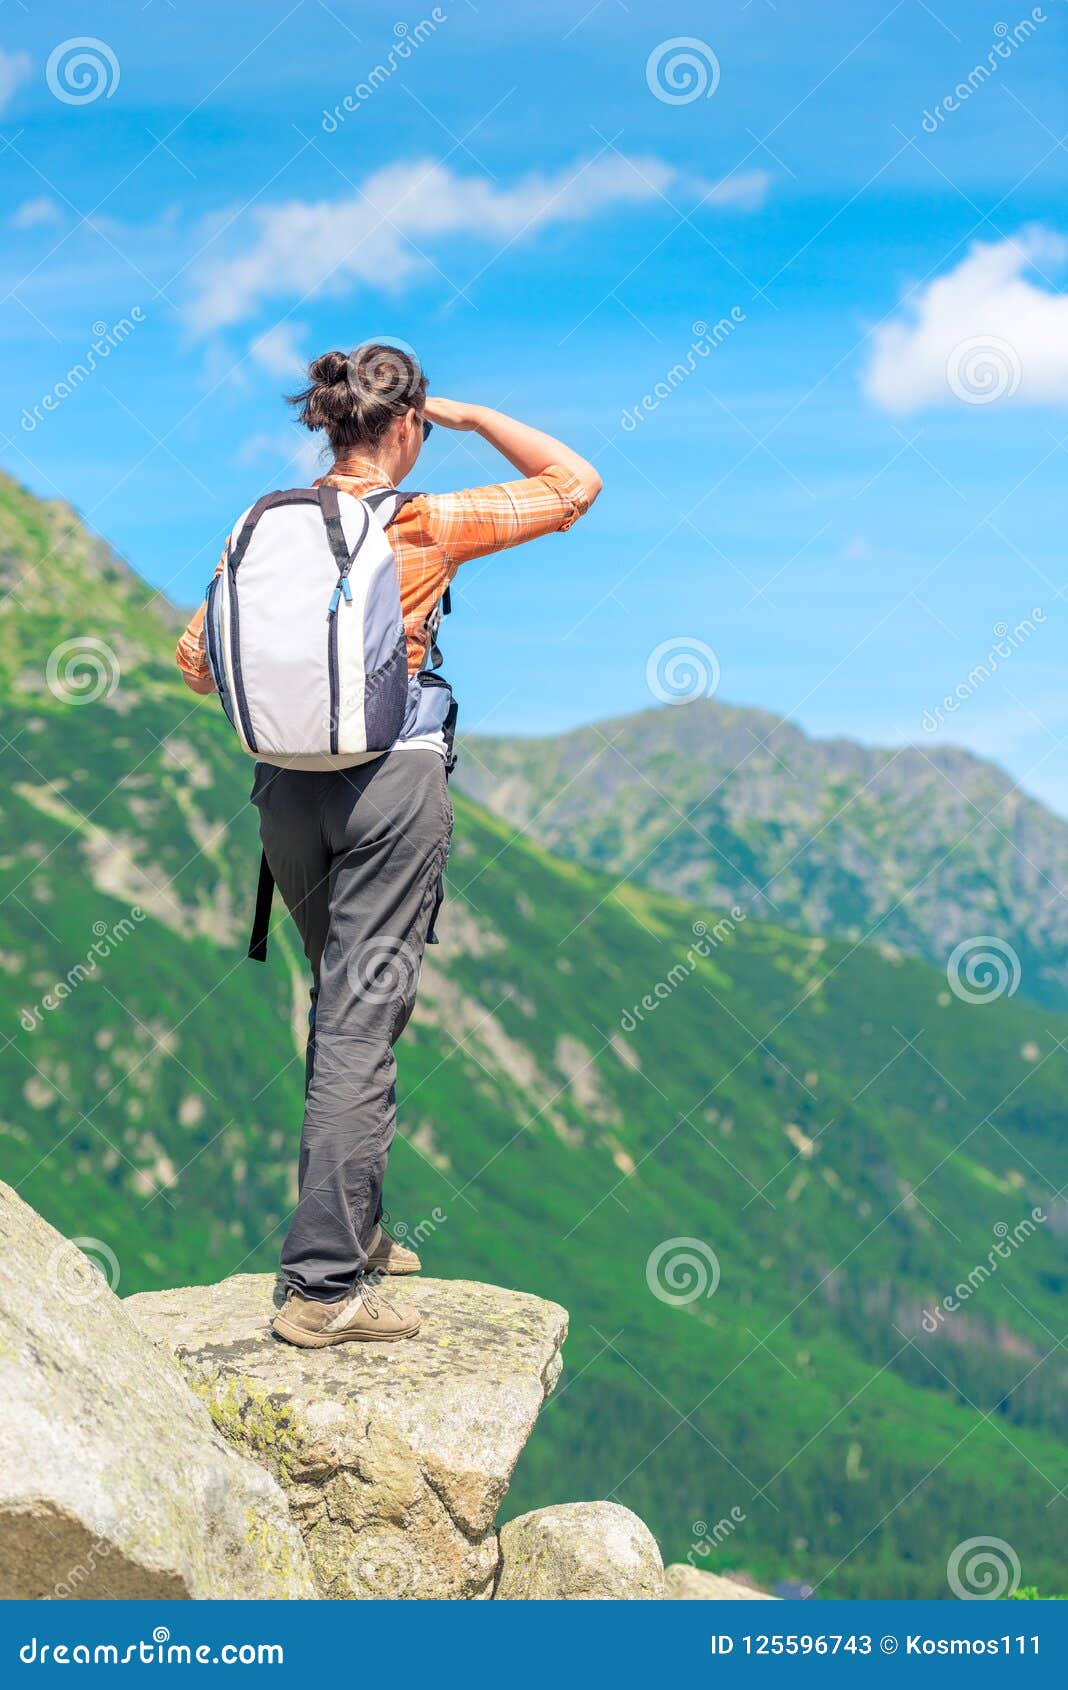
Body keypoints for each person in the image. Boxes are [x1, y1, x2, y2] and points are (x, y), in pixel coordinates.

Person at [175, 344, 602, 1347]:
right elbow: (575, 485)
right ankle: (324, 1290)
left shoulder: (265, 527)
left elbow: (196, 662)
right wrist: (472, 413)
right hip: (388, 791)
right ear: (405, 424)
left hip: (286, 797)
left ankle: (358, 1233)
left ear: (329, 424)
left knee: (343, 1003)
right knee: (361, 1022)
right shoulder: (419, 521)